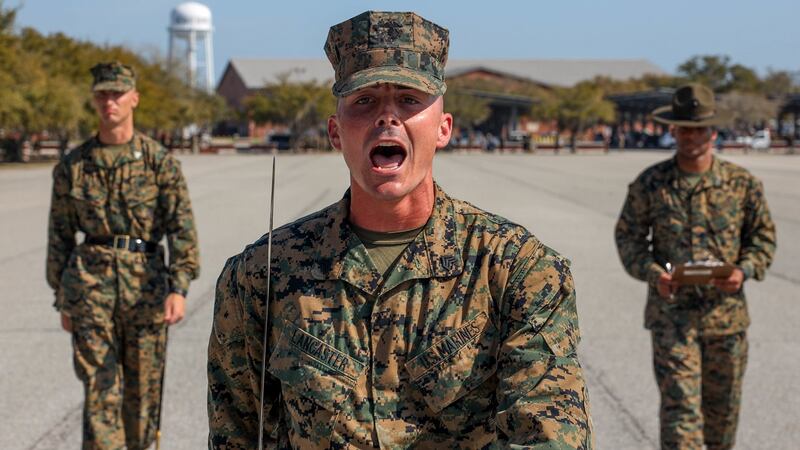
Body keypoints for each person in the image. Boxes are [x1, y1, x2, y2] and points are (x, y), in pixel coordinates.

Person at [207, 11, 593, 449]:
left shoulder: (517, 268)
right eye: (364, 102)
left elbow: (549, 435)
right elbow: (233, 434)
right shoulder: (264, 272)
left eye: (409, 100)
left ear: (443, 129)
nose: (387, 117)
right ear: (336, 133)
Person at [46, 62, 200, 450]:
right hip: (88, 289)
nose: (109, 101)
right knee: (100, 389)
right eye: (102, 94)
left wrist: (178, 288)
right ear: (94, 99)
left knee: (143, 394)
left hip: (145, 289)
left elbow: (181, 229)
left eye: (117, 94)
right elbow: (60, 236)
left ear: (134, 98)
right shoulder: (74, 166)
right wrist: (62, 296)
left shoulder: (158, 162)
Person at [614, 83, 776, 449]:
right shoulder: (651, 184)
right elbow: (628, 238)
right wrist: (654, 275)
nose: (691, 137)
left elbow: (763, 237)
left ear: (713, 132)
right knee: (680, 417)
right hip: (673, 317)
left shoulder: (742, 184)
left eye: (699, 129)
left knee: (722, 419)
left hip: (726, 318)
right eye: (684, 129)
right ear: (673, 131)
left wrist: (744, 270)